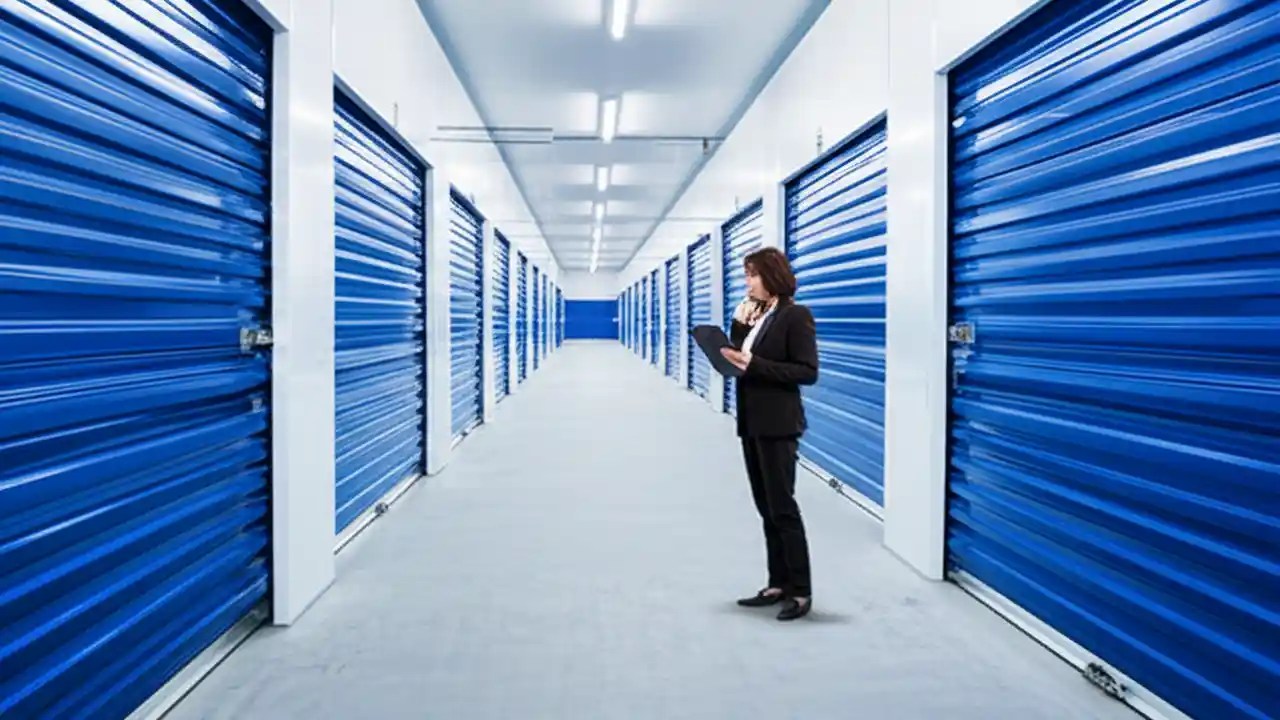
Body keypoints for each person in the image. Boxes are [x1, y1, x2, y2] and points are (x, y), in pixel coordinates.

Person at [720, 247, 819, 622]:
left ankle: (801, 591)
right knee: (766, 508)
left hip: (778, 425)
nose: (747, 282)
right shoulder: (756, 315)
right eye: (746, 275)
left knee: (783, 508)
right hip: (753, 422)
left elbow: (806, 371)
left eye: (753, 275)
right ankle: (778, 583)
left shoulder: (795, 315)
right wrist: (737, 329)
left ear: (772, 276)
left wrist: (754, 363)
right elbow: (742, 358)